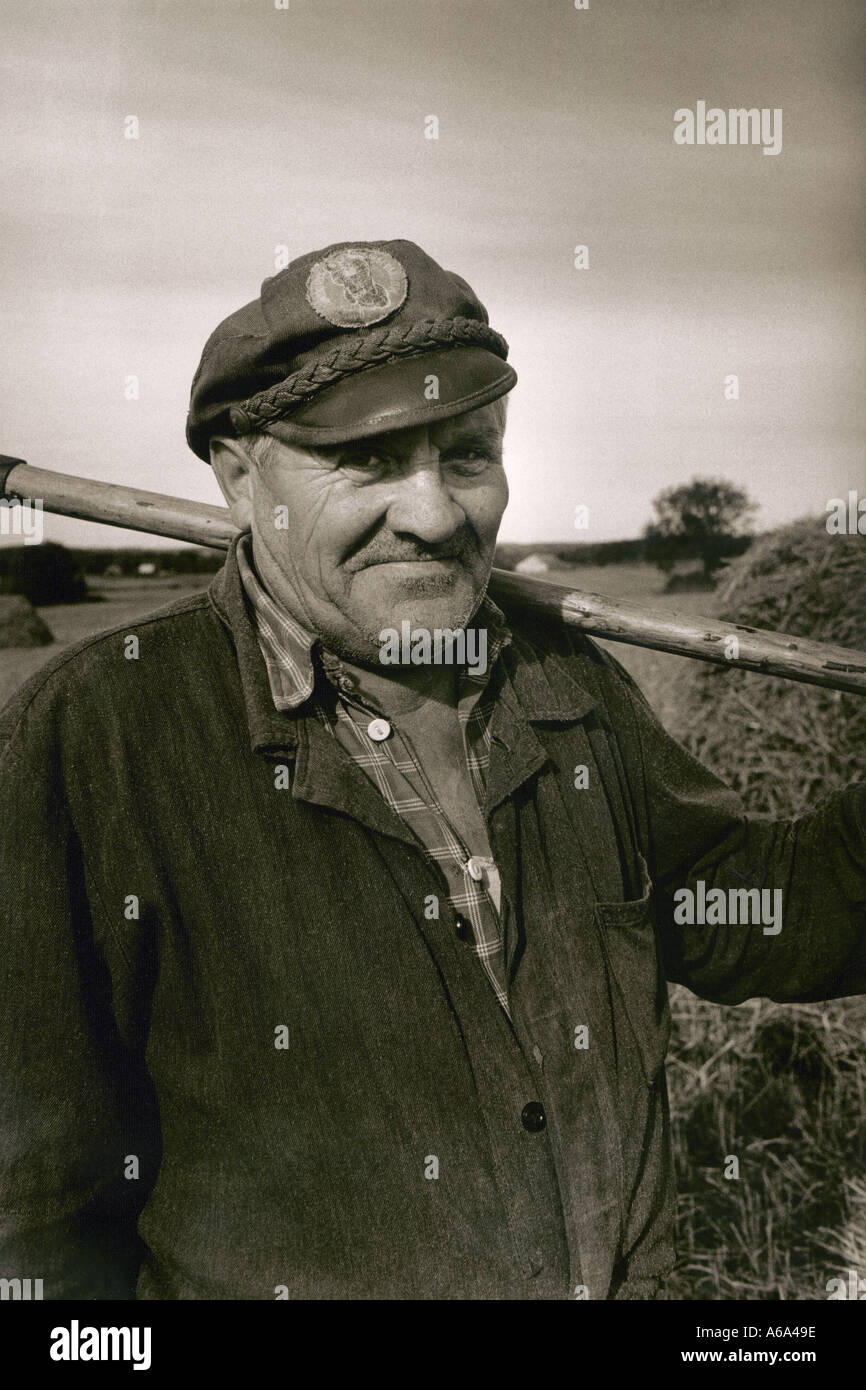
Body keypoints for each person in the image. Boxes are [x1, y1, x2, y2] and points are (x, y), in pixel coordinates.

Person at [1, 240, 864, 1301]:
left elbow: (752, 910)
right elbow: (34, 1215)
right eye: (365, 462)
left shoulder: (564, 684)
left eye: (465, 454)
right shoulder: (101, 735)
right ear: (238, 477)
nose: (436, 513)